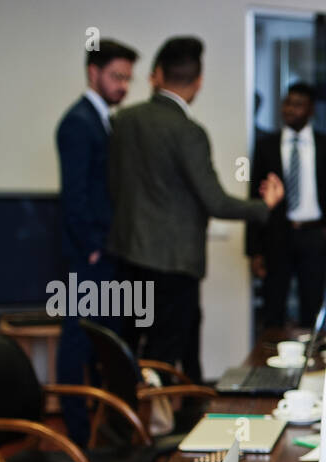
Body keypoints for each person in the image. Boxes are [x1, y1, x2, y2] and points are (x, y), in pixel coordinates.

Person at [108, 36, 284, 382]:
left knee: (129, 342)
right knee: (164, 352)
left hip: (128, 253)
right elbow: (215, 202)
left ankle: (129, 421)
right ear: (198, 81)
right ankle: (162, 425)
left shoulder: (123, 121)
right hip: (175, 262)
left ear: (157, 74)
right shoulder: (188, 131)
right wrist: (264, 206)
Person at [54, 38, 137, 446]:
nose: (123, 85)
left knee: (105, 341)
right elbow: (75, 194)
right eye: (116, 76)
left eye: (127, 78)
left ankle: (107, 430)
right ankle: (76, 433)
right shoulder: (78, 122)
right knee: (77, 340)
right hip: (89, 255)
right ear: (93, 73)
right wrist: (90, 243)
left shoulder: (105, 119)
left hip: (106, 252)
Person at [246, 82, 326, 329]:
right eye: (287, 103)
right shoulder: (267, 145)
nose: (290, 109)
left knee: (312, 305)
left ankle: (312, 362)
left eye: (298, 105)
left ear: (310, 110)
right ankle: (271, 362)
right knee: (273, 307)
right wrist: (254, 249)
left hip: (315, 234)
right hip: (278, 233)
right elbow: (254, 198)